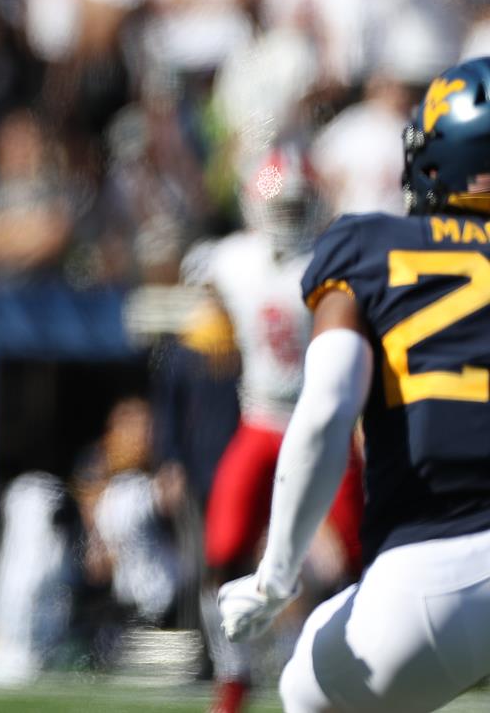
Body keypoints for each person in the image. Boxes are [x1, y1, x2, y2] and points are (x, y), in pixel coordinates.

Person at [219, 58, 490, 712]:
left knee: (306, 688)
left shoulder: (368, 244)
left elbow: (328, 405)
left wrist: (277, 572)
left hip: (437, 566)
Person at [190, 142, 362, 713]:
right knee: (223, 551)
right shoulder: (233, 260)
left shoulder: (331, 259)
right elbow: (191, 277)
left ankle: (347, 670)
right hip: (260, 421)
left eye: (297, 207)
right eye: (279, 207)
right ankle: (234, 677)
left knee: (355, 559)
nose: (289, 219)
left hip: (320, 424)